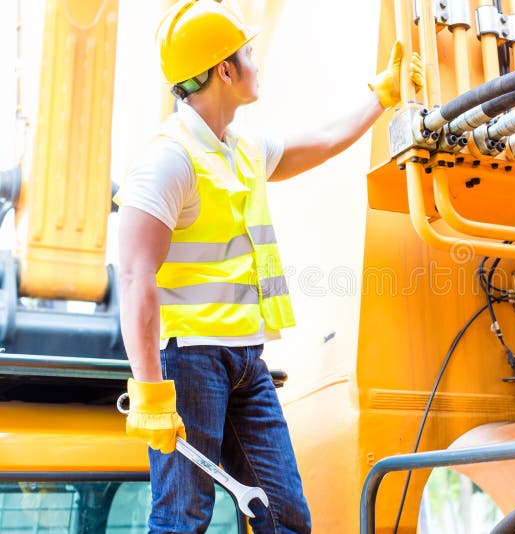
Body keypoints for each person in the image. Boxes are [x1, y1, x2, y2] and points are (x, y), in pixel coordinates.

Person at [114, 1, 423, 532]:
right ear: (224, 70)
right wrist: (149, 391)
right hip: (188, 363)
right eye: (248, 53)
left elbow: (323, 143)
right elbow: (135, 276)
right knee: (182, 517)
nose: (257, 63)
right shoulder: (170, 159)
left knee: (282, 516)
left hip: (246, 362)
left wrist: (381, 96)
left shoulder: (242, 150)